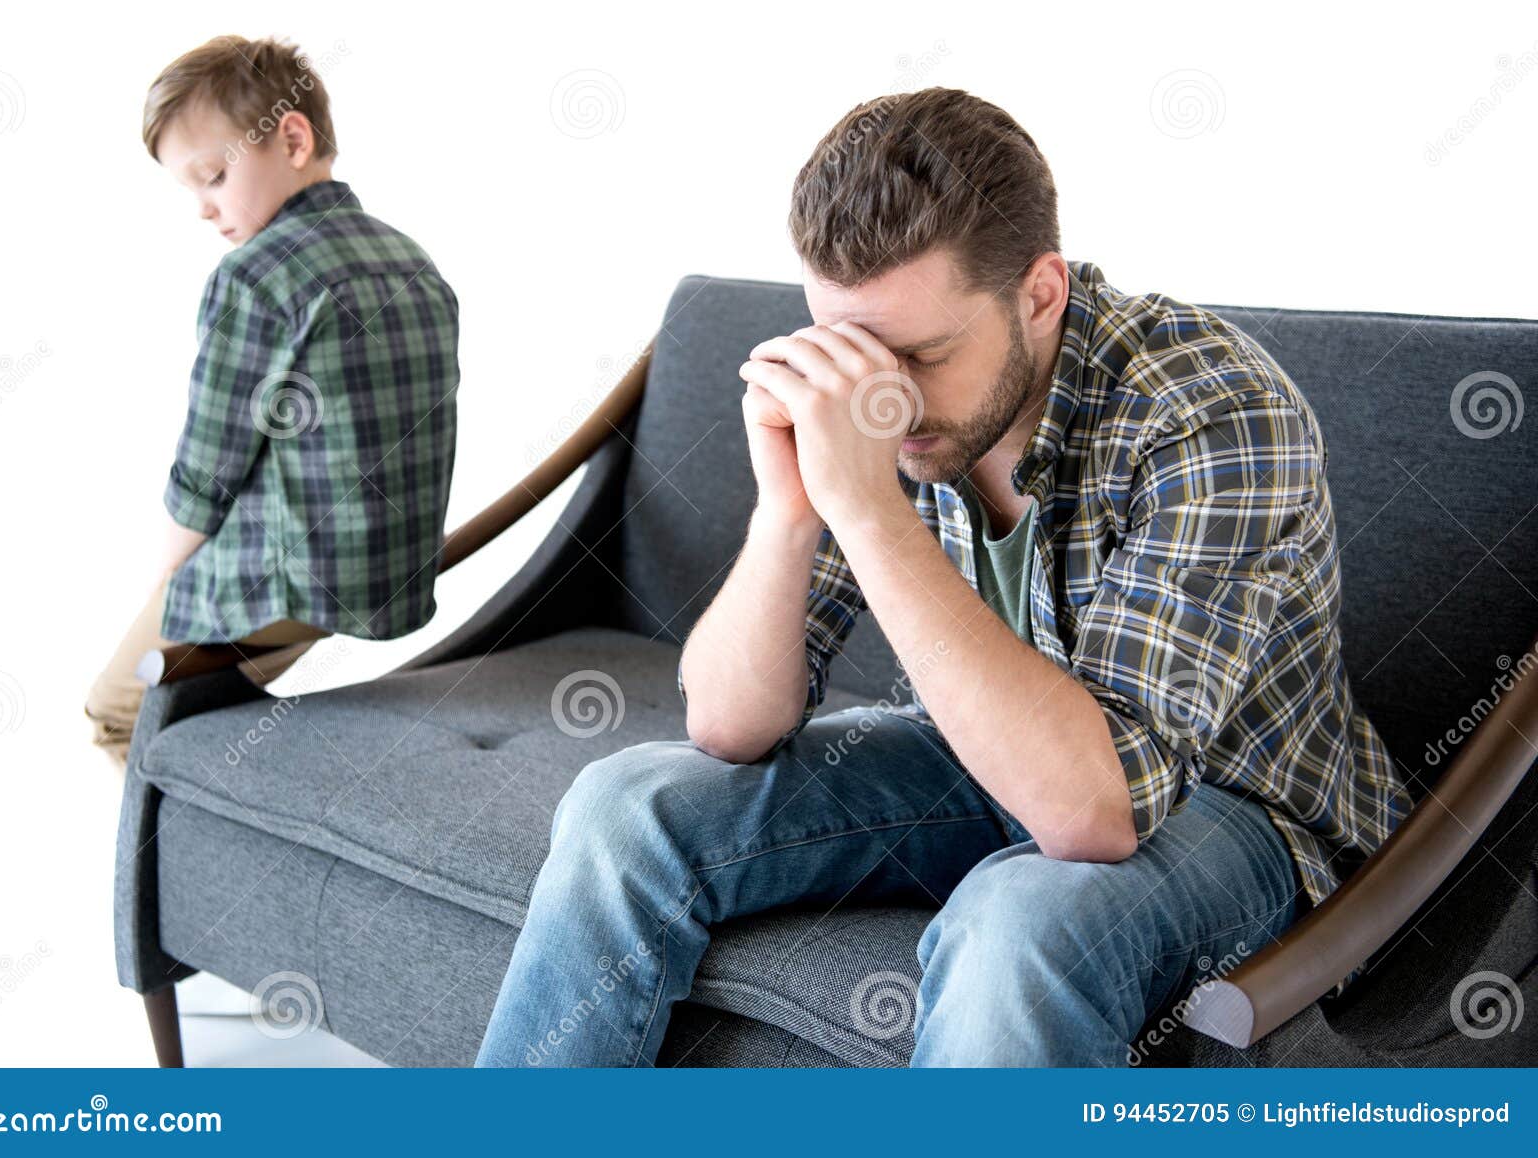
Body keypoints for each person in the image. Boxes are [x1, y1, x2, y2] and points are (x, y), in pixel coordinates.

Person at [473, 87, 1414, 1066]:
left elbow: (1095, 812)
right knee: (624, 808)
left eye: (922, 354)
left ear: (1040, 293)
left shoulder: (1211, 412)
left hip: (1233, 809)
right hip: (985, 757)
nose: (885, 401)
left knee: (1018, 922)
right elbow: (728, 724)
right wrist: (792, 510)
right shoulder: (878, 399)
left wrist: (867, 509)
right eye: (855, 351)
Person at [84, 35, 460, 771]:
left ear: (292, 139)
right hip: (393, 575)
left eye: (214, 177)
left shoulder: (255, 277)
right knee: (203, 709)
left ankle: (210, 829)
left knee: (115, 712)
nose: (203, 209)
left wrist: (166, 583)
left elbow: (208, 468)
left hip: (297, 585)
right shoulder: (412, 259)